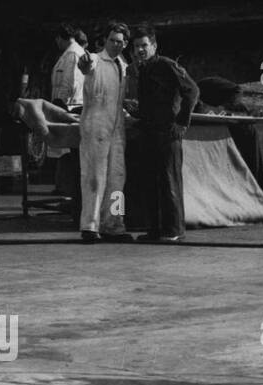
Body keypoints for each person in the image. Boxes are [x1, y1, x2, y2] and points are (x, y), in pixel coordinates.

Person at [129, 25, 199, 243]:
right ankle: (155, 230)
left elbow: (192, 91)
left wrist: (182, 121)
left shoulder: (166, 65)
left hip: (167, 134)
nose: (140, 50)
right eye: (137, 47)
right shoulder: (143, 70)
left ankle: (173, 230)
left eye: (144, 45)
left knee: (169, 182)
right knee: (151, 182)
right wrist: (136, 110)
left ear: (154, 46)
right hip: (149, 133)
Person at [76, 22, 131, 243]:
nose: (116, 45)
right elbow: (85, 66)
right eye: (112, 40)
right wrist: (84, 63)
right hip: (96, 127)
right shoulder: (96, 61)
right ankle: (90, 225)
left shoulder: (123, 65)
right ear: (105, 41)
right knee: (94, 177)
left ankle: (114, 224)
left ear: (125, 44)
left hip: (117, 129)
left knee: (117, 178)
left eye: (120, 41)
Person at [47, 24, 86, 214]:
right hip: (65, 108)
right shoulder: (71, 54)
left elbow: (71, 83)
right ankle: (70, 193)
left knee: (70, 154)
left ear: (61, 38)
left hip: (69, 109)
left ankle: (73, 195)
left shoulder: (73, 55)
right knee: (66, 154)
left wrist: (59, 104)